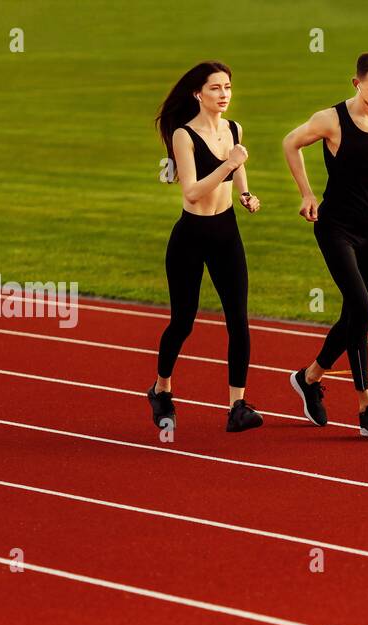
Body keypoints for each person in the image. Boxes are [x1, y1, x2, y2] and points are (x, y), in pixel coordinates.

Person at [282, 51, 368, 438]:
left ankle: (310, 377)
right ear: (356, 83)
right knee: (361, 307)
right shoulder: (331, 119)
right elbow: (291, 143)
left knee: (358, 313)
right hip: (335, 226)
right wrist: (306, 194)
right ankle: (366, 405)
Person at [150, 60, 263, 433]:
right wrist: (229, 164)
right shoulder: (184, 135)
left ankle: (237, 406)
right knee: (183, 321)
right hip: (191, 236)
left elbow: (238, 165)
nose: (224, 94)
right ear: (198, 94)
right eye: (215, 88)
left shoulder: (234, 128)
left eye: (227, 87)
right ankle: (161, 389)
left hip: (226, 232)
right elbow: (193, 192)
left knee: (239, 321)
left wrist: (245, 192)